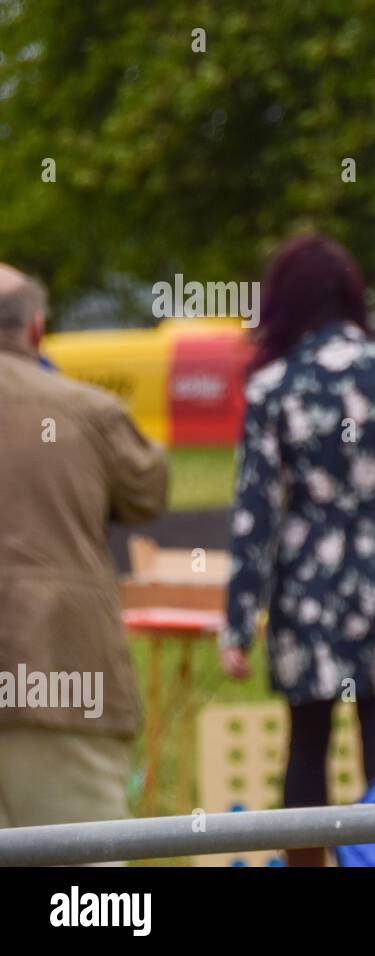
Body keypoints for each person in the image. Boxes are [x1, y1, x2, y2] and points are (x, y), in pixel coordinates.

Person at [219, 234, 375, 866]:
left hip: (307, 592)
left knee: (306, 744)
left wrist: (238, 623)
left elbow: (255, 516)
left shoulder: (273, 388)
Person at [0, 264, 168, 829]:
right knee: (81, 891)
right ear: (37, 329)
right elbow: (148, 489)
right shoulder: (88, 412)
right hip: (61, 672)